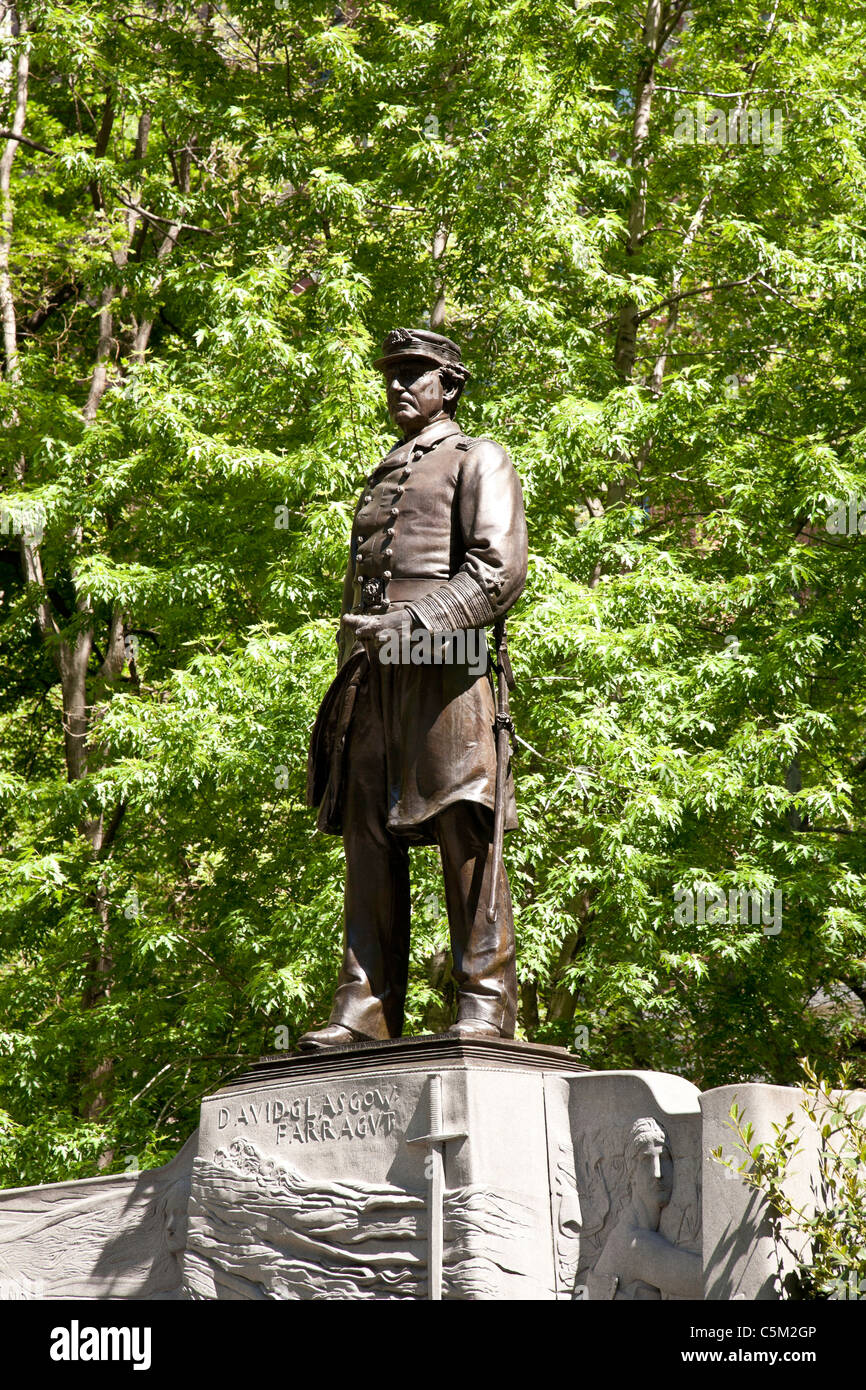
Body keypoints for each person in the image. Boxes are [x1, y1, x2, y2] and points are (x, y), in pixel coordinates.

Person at [301, 328, 528, 1050]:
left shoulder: (477, 458)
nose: (399, 386)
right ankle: (364, 1007)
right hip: (371, 682)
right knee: (367, 837)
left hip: (447, 672)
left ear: (449, 386)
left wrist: (411, 625)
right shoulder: (382, 474)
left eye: (415, 374)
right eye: (391, 375)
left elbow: (498, 570)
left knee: (464, 826)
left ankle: (484, 1001)